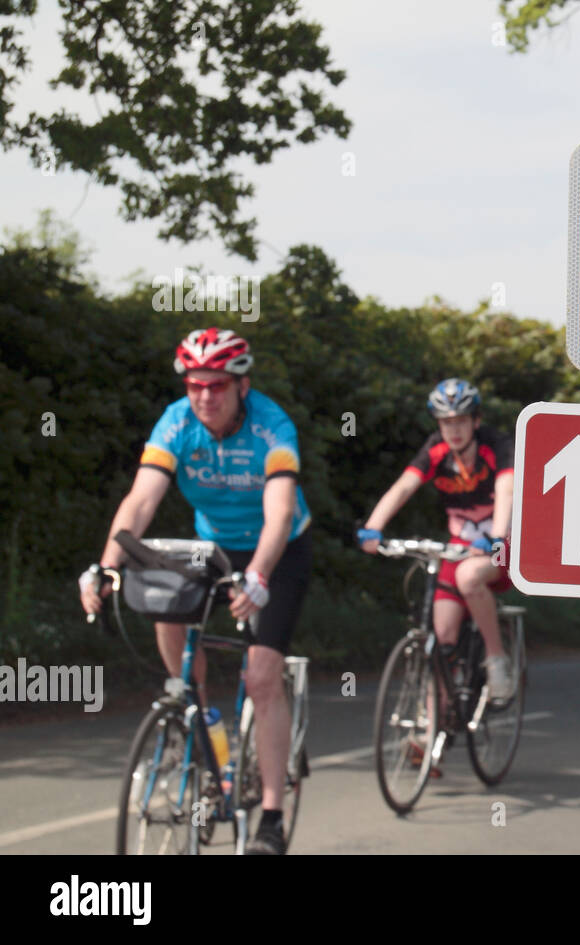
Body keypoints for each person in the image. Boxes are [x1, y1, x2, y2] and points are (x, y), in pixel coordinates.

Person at [78, 328, 312, 855]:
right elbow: (141, 501)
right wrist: (106, 563)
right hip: (211, 547)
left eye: (217, 386)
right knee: (169, 619)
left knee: (260, 677)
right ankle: (204, 724)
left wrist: (259, 575)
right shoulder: (177, 422)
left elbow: (279, 512)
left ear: (242, 385)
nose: (205, 396)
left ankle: (271, 817)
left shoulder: (272, 427)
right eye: (194, 385)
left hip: (279, 550)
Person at [358, 378, 517, 701]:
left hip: (502, 545)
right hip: (460, 545)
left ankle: (496, 657)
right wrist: (373, 527)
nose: (453, 430)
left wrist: (497, 536)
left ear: (476, 420)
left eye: (460, 421)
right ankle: (433, 723)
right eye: (446, 423)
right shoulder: (436, 450)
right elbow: (404, 486)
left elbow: (507, 490)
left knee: (469, 576)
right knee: (441, 634)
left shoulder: (497, 445)